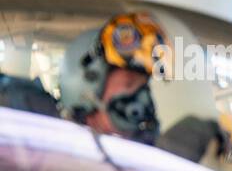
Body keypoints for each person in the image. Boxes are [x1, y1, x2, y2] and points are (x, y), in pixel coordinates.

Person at [58, 12, 167, 144]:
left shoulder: (151, 158)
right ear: (85, 85)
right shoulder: (49, 151)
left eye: (144, 86)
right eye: (129, 83)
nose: (143, 98)